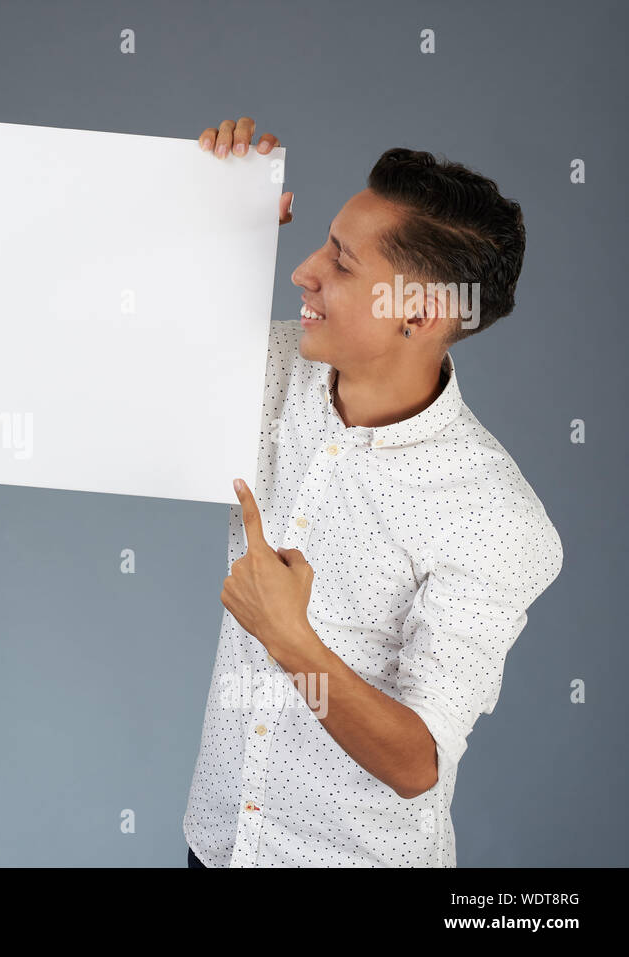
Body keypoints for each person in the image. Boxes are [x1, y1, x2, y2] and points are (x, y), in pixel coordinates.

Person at [184, 118, 562, 866]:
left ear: (418, 314)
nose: (304, 271)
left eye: (342, 264)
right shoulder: (271, 367)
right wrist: (212, 222)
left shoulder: (495, 516)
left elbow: (416, 762)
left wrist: (289, 637)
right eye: (324, 242)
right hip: (218, 843)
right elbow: (106, 357)